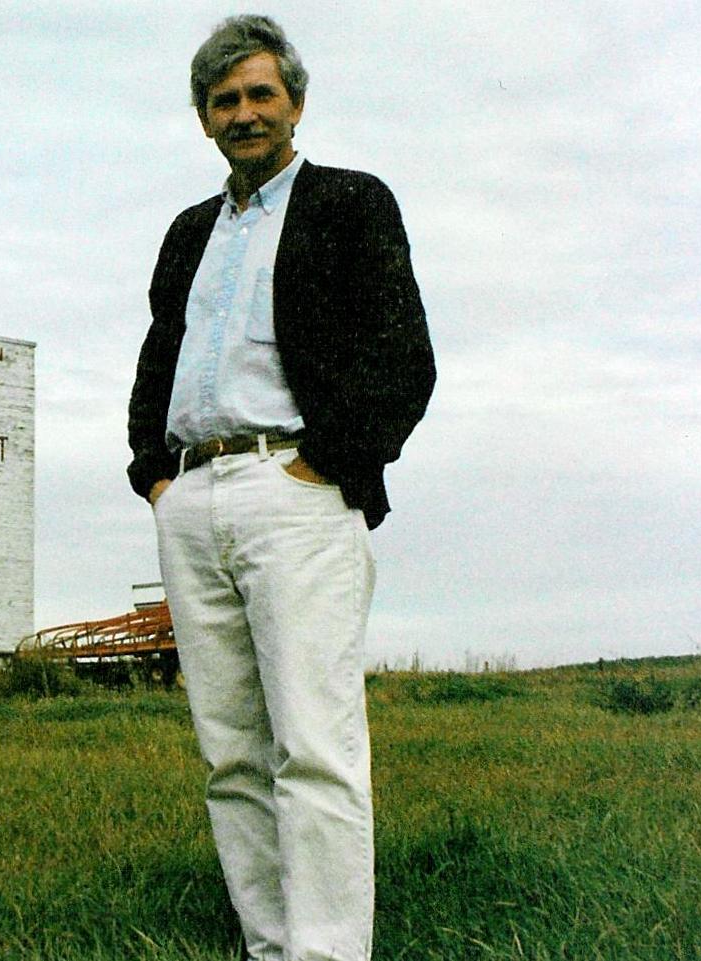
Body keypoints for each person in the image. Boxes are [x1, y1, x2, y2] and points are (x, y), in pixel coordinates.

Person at [126, 14, 435, 961]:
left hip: (294, 489)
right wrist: (151, 473)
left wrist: (331, 460)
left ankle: (327, 952)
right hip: (193, 494)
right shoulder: (189, 231)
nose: (244, 112)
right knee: (230, 752)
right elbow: (160, 351)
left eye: (261, 94)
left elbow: (403, 354)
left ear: (295, 104)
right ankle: (269, 944)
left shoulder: (350, 203)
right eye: (225, 100)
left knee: (313, 744)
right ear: (202, 118)